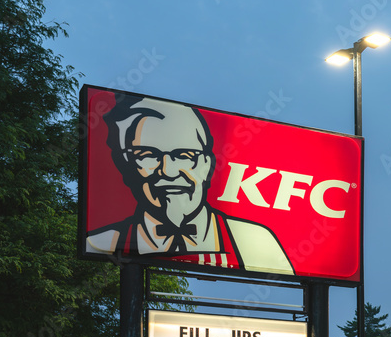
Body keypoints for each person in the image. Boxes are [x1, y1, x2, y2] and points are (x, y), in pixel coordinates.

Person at [86, 95, 294, 274]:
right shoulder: (102, 242)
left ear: (206, 165)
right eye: (148, 155)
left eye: (184, 155)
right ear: (130, 166)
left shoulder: (257, 242)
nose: (168, 171)